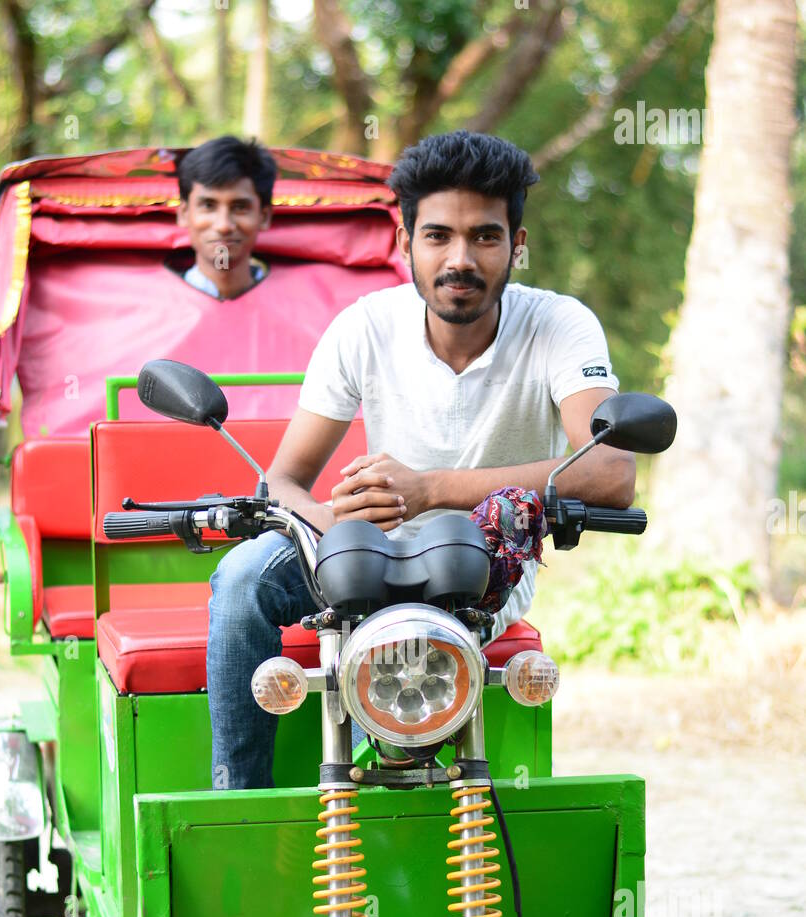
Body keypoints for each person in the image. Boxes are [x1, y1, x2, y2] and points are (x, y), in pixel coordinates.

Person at [206, 129, 636, 790]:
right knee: (241, 582)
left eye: (485, 237)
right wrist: (326, 523)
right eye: (438, 236)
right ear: (405, 243)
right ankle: (237, 807)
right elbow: (283, 481)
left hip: (481, 562)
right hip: (360, 553)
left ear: (517, 245)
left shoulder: (559, 325)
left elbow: (611, 471)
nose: (460, 259)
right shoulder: (365, 326)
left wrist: (432, 489)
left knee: (449, 613)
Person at [171, 136, 277, 301]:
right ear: (184, 214)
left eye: (240, 207)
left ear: (263, 217)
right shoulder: (153, 308)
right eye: (208, 205)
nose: (223, 226)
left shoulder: (299, 305)